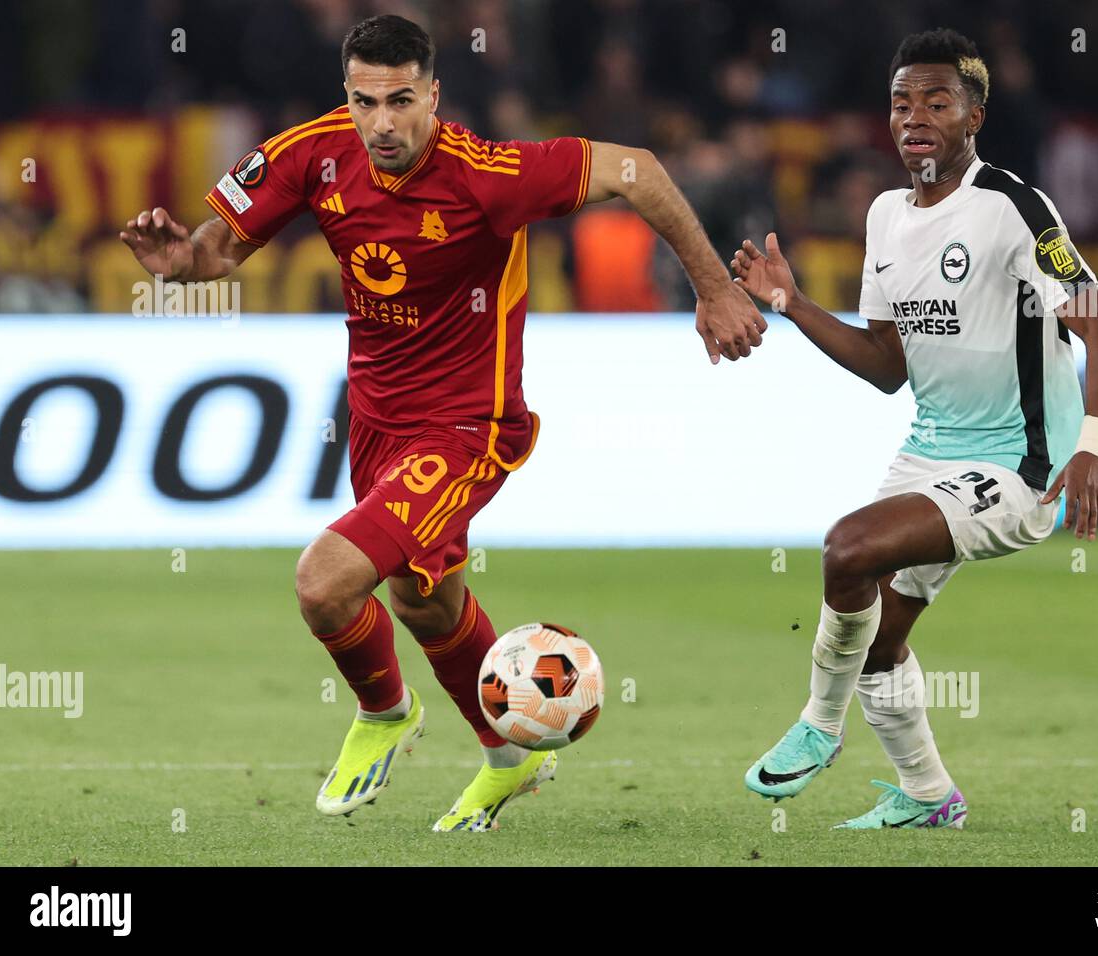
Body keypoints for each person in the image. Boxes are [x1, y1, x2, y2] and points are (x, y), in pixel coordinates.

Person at [121, 14, 764, 832]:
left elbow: (637, 170)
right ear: (346, 97)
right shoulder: (311, 153)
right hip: (375, 423)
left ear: (433, 95)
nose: (382, 123)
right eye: (365, 102)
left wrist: (714, 289)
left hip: (466, 428)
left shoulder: (485, 175)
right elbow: (216, 251)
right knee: (423, 601)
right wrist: (179, 263)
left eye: (400, 101)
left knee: (324, 584)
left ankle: (385, 712)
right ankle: (510, 758)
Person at [731, 28, 1098, 829]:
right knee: (876, 636)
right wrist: (792, 304)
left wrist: (1092, 447)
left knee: (848, 548)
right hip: (929, 452)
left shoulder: (1014, 208)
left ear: (973, 116)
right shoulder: (884, 216)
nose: (915, 117)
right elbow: (886, 365)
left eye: (937, 102)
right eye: (902, 102)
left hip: (1020, 464)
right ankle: (927, 795)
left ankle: (820, 723)